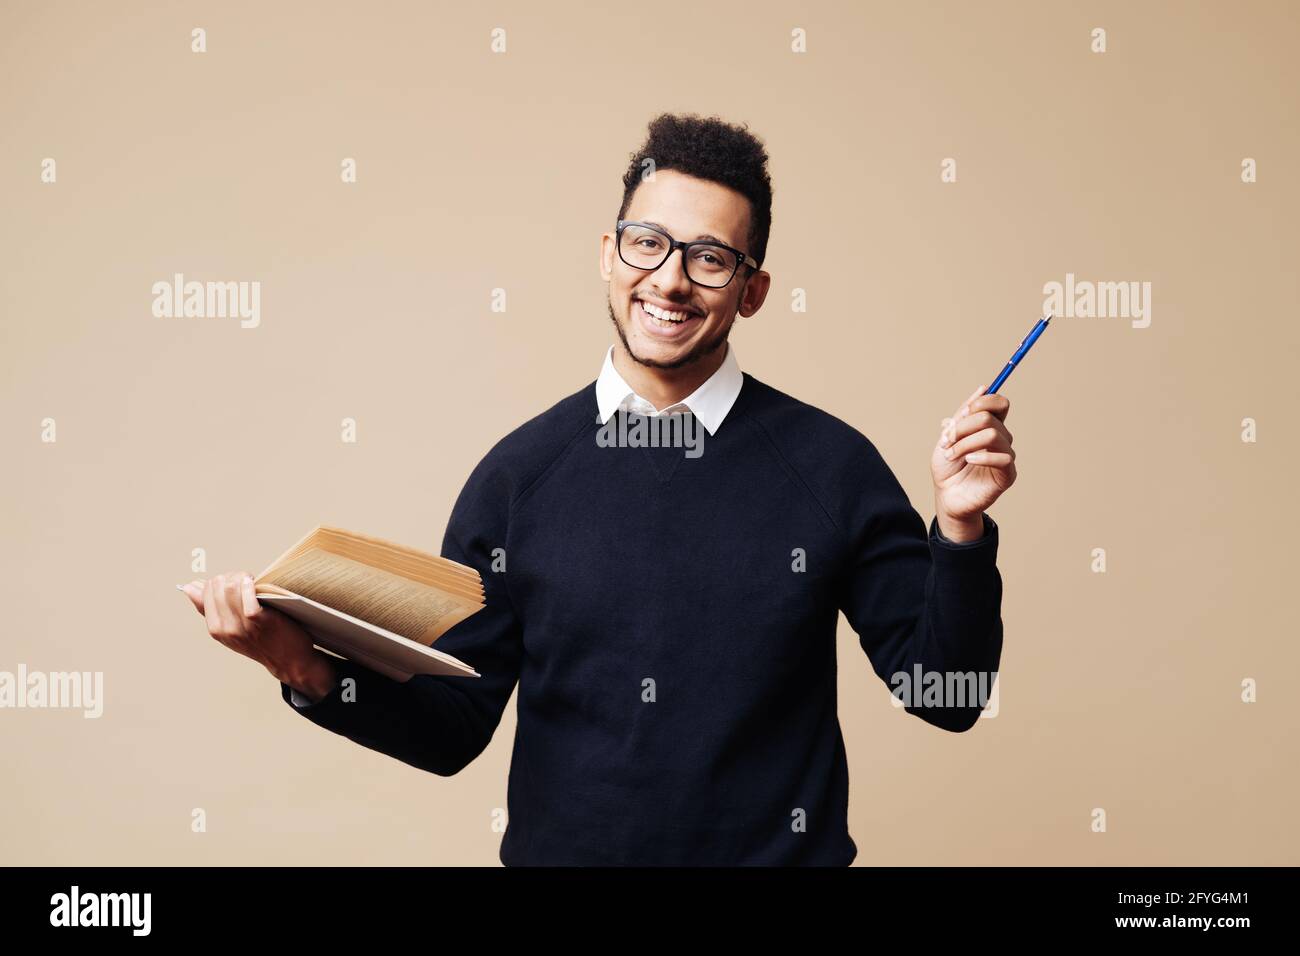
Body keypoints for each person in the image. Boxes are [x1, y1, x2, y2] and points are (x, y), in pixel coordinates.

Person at [181, 112, 1018, 865]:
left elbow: (946, 696)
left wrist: (959, 529)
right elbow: (452, 731)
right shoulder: (515, 478)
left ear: (753, 292)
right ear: (608, 254)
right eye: (646, 241)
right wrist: (300, 665)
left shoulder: (832, 466)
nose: (670, 280)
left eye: (711, 258)